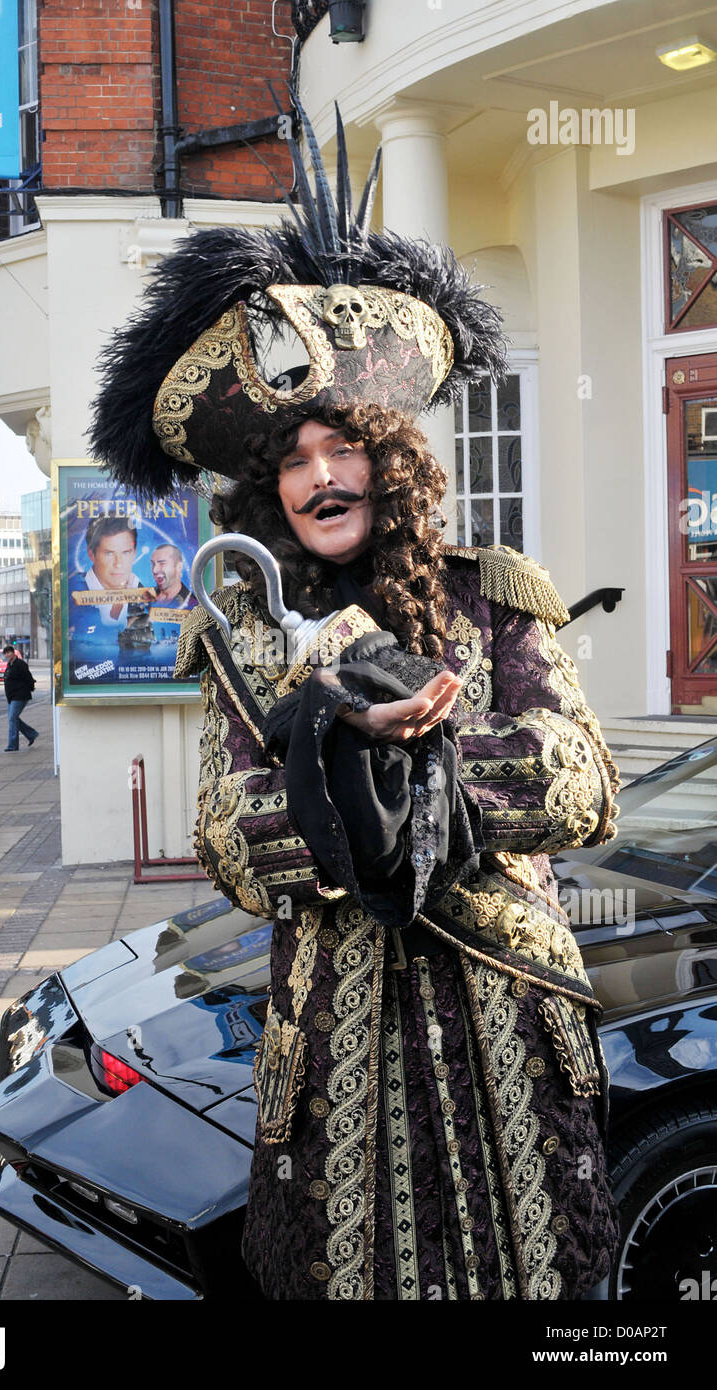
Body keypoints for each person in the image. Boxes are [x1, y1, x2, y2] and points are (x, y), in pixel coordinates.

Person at [90, 101, 621, 1301]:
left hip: (507, 1043)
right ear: (263, 491)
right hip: (331, 1062)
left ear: (390, 456)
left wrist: (428, 761)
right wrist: (338, 753)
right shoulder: (241, 631)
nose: (321, 475)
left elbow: (583, 783)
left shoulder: (495, 600)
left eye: (343, 445)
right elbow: (227, 836)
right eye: (291, 456)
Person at [68, 515, 144, 646]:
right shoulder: (71, 594)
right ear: (91, 554)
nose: (118, 563)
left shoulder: (145, 595)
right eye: (109, 553)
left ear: (135, 553)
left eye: (126, 552)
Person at [2, 645, 38, 751]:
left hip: (20, 695)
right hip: (11, 697)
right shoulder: (9, 665)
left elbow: (28, 677)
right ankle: (31, 734)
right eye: (6, 653)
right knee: (13, 719)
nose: (7, 655)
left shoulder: (21, 664)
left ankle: (12, 745)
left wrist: (31, 688)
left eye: (9, 652)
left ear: (13, 653)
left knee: (12, 718)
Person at [150, 543, 195, 610]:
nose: (155, 570)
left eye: (162, 563)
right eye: (153, 564)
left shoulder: (192, 604)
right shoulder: (147, 597)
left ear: (179, 567)